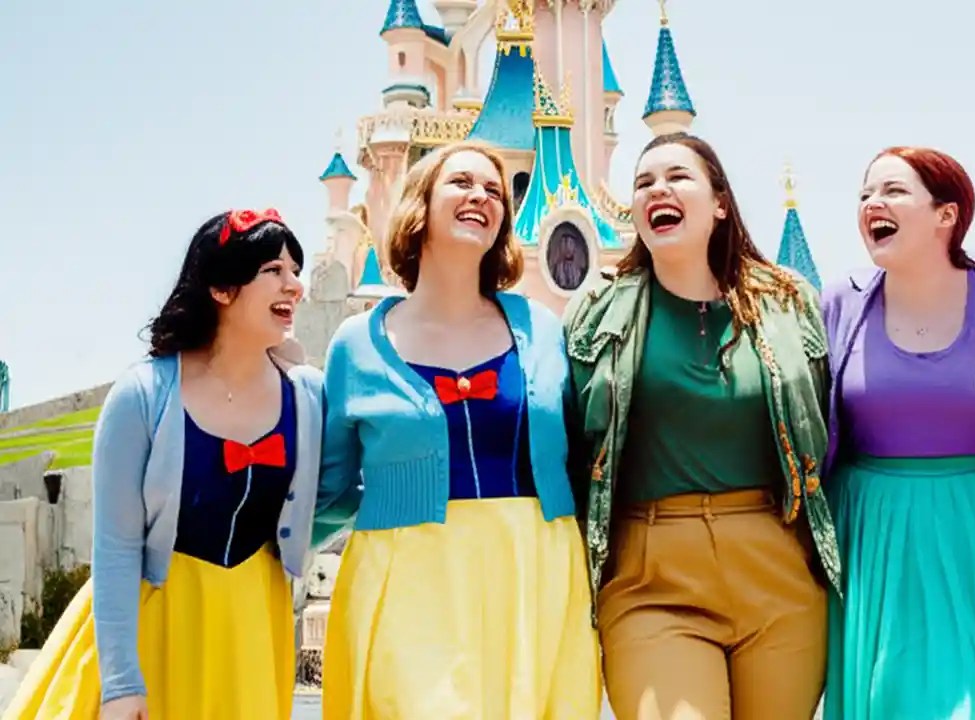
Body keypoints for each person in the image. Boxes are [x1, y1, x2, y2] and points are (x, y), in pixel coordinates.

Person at [313, 140, 600, 719]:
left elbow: (583, 458)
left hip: (534, 574)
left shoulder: (544, 330)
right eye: (462, 183)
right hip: (407, 582)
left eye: (494, 190)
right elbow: (329, 488)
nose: (481, 196)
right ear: (419, 205)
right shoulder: (356, 345)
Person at [4, 209, 323, 720]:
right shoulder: (143, 395)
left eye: (296, 271)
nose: (295, 285)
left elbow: (331, 496)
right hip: (153, 625)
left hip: (251, 632)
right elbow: (116, 546)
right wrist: (121, 683)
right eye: (274, 271)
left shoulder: (307, 395)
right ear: (221, 288)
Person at [563, 131, 839, 720]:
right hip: (650, 579)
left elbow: (830, 428)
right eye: (643, 183)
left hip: (778, 571)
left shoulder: (789, 303)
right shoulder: (596, 314)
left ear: (719, 203)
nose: (657, 190)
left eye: (677, 177)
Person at [820, 146, 975, 719]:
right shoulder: (839, 301)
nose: (872, 204)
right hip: (877, 538)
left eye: (893, 191)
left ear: (946, 214)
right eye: (865, 194)